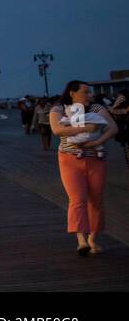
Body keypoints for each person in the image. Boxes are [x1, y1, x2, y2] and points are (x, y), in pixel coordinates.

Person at [50, 80, 118, 256]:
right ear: (72, 93)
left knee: (96, 199)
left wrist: (97, 141)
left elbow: (113, 128)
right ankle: (81, 240)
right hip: (69, 159)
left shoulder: (96, 108)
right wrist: (87, 127)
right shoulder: (59, 108)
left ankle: (93, 239)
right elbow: (57, 130)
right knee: (77, 199)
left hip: (96, 158)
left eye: (90, 92)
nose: (90, 95)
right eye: (85, 92)